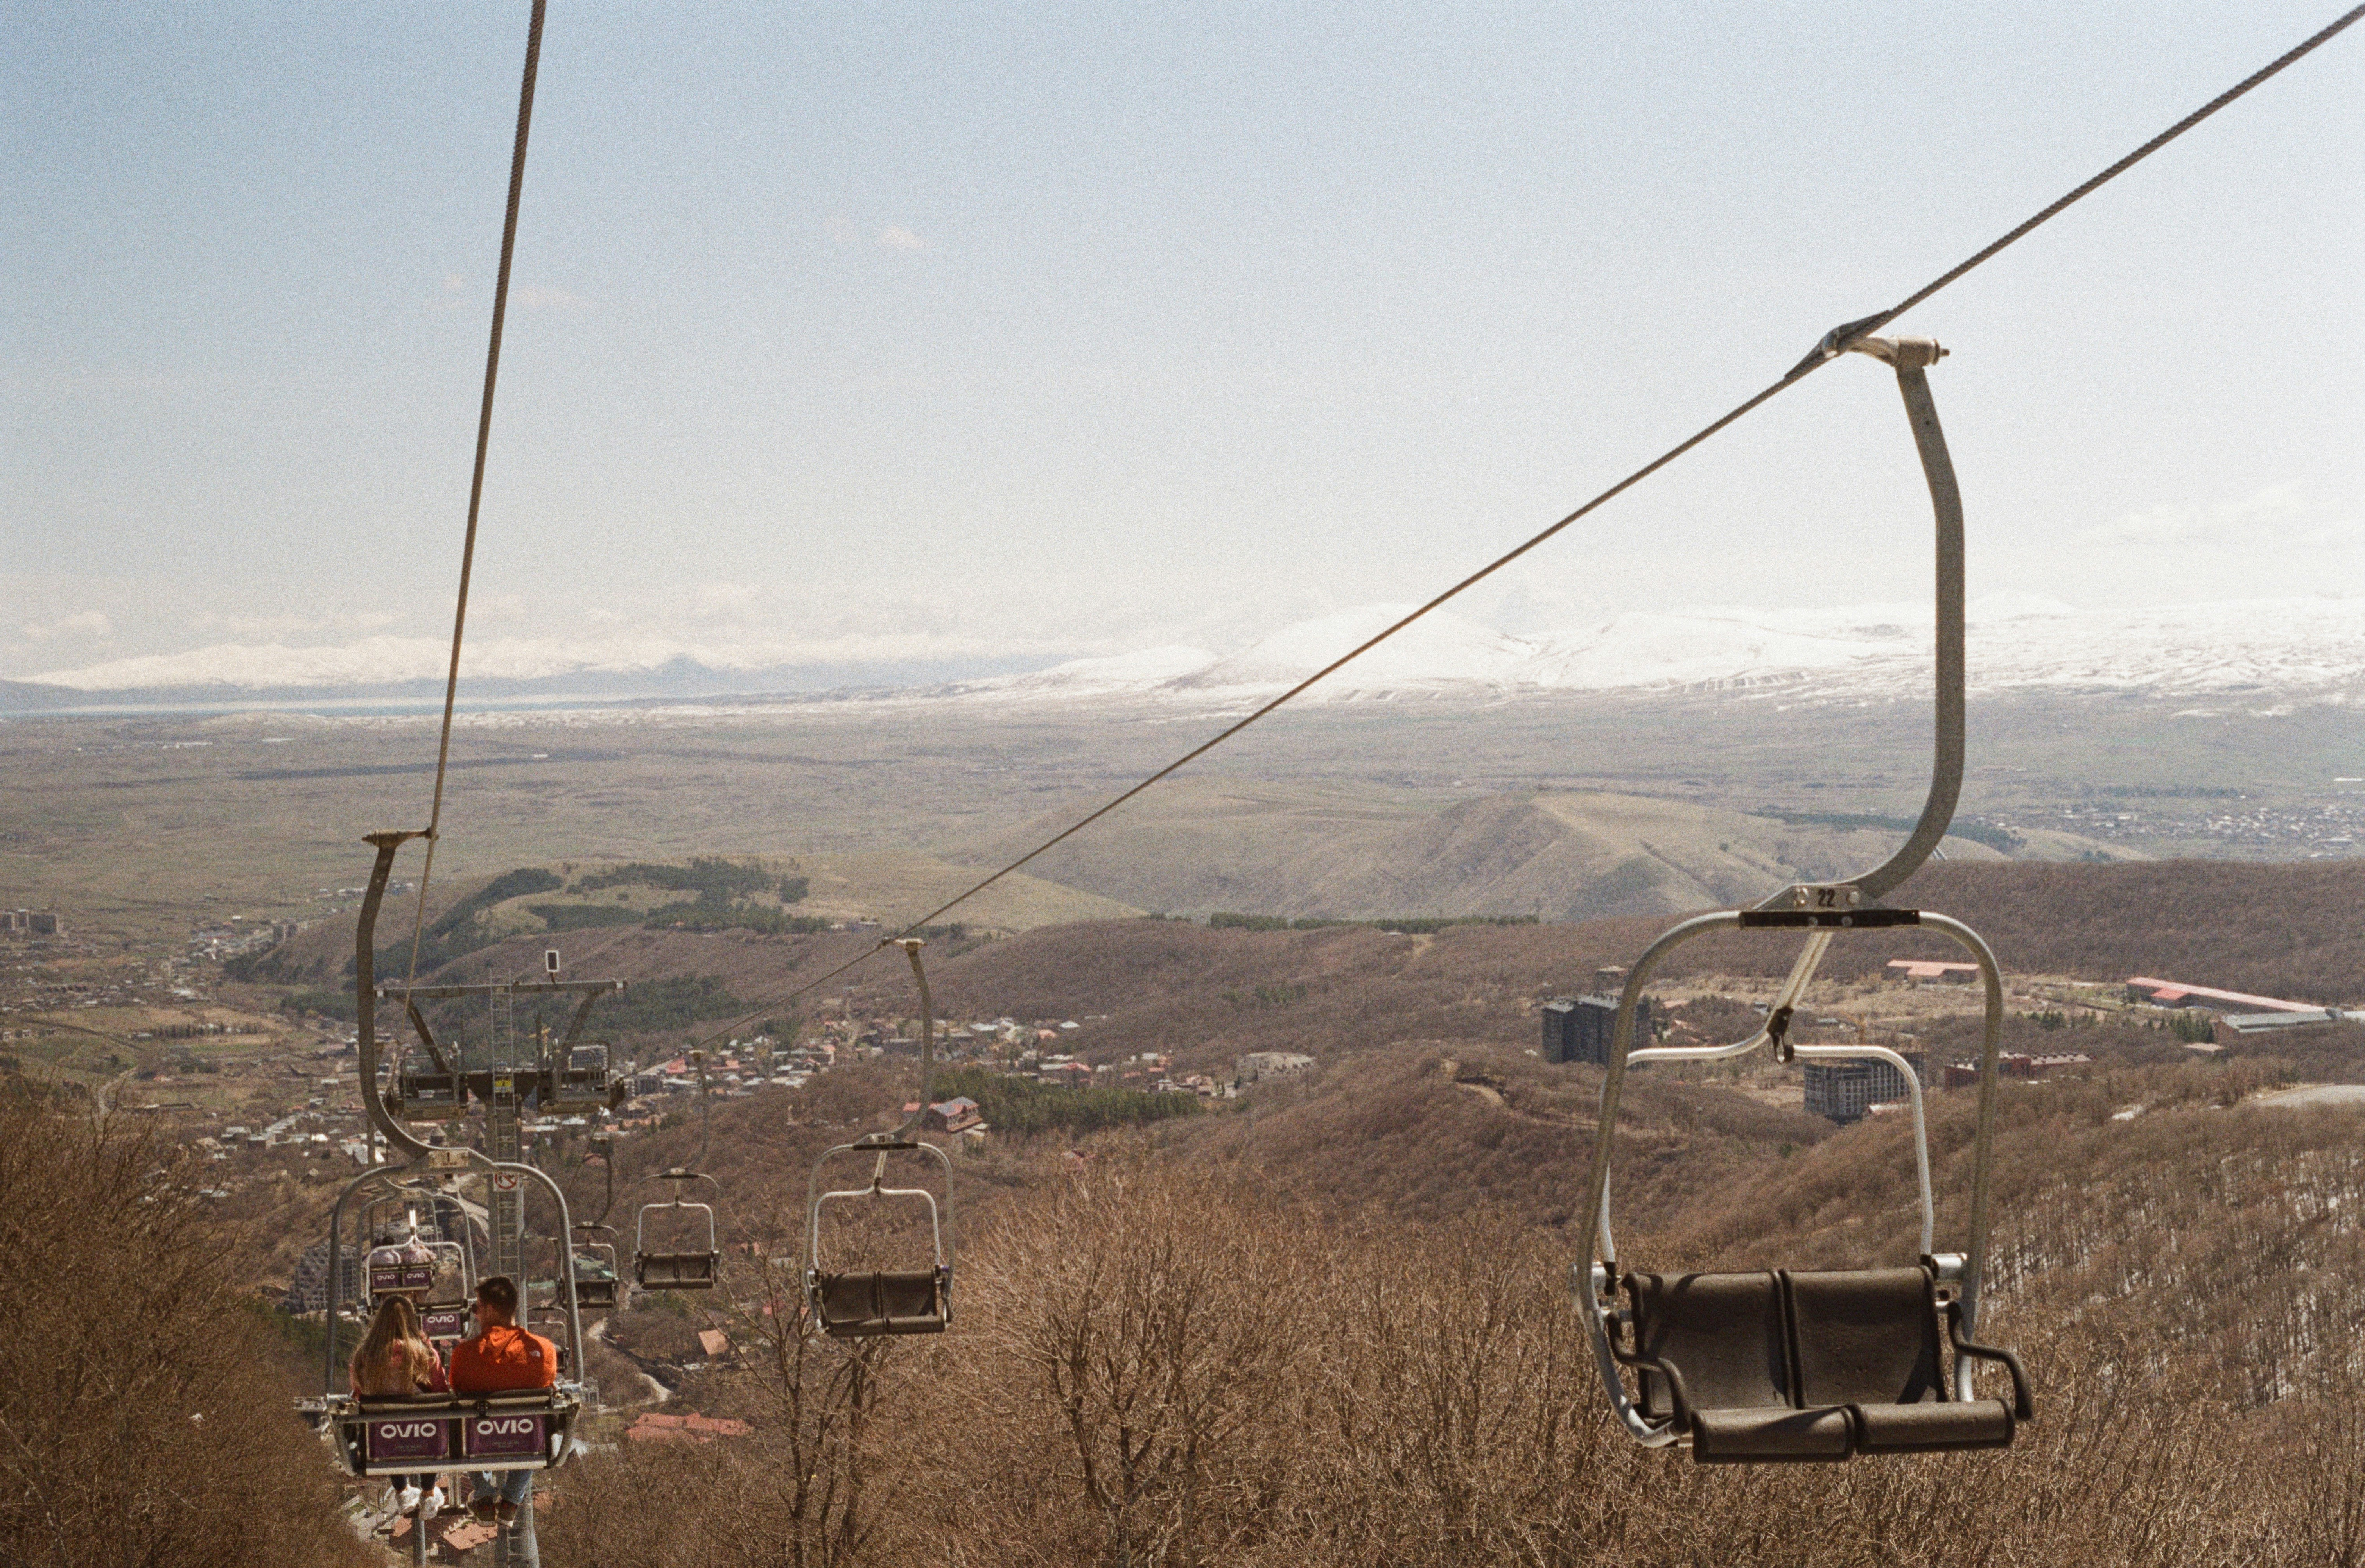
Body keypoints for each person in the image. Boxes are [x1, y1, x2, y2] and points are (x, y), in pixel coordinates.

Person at [448, 1274, 557, 1525]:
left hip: (481, 1440)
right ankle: (511, 1499)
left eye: (477, 1308)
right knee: (535, 1419)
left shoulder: (464, 1356)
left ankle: (484, 1493)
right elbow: (549, 1384)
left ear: (490, 1309)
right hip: (523, 1439)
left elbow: (456, 1389)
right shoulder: (544, 1351)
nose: (475, 1314)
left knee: (461, 1417)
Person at [349, 1294, 450, 1515]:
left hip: (384, 1439)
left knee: (385, 1422)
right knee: (430, 1413)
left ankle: (402, 1490)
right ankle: (428, 1492)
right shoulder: (424, 1355)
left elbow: (358, 1393)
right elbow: (441, 1391)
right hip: (424, 1435)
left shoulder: (364, 1358)